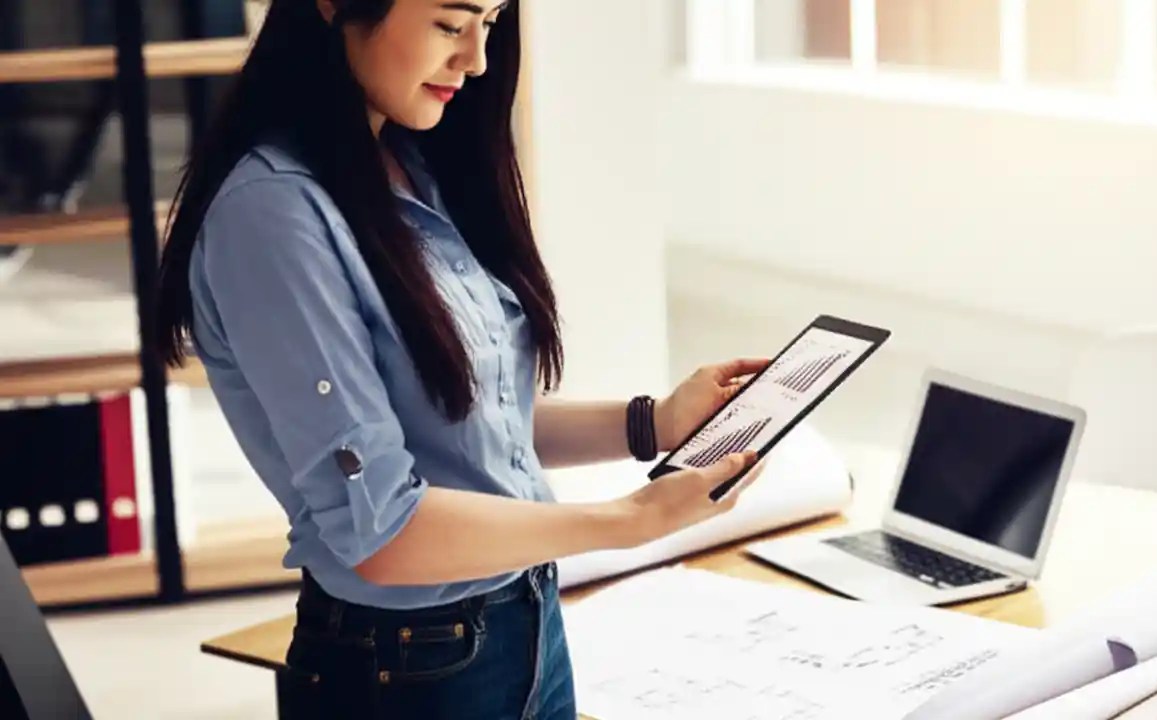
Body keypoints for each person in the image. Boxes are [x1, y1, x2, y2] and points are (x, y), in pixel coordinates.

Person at [154, 1, 767, 717]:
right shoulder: (272, 215)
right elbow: (383, 530)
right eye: (451, 24)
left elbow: (470, 429)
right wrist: (631, 519)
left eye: (492, 23)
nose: (476, 60)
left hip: (526, 620)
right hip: (406, 665)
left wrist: (652, 424)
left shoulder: (412, 163)